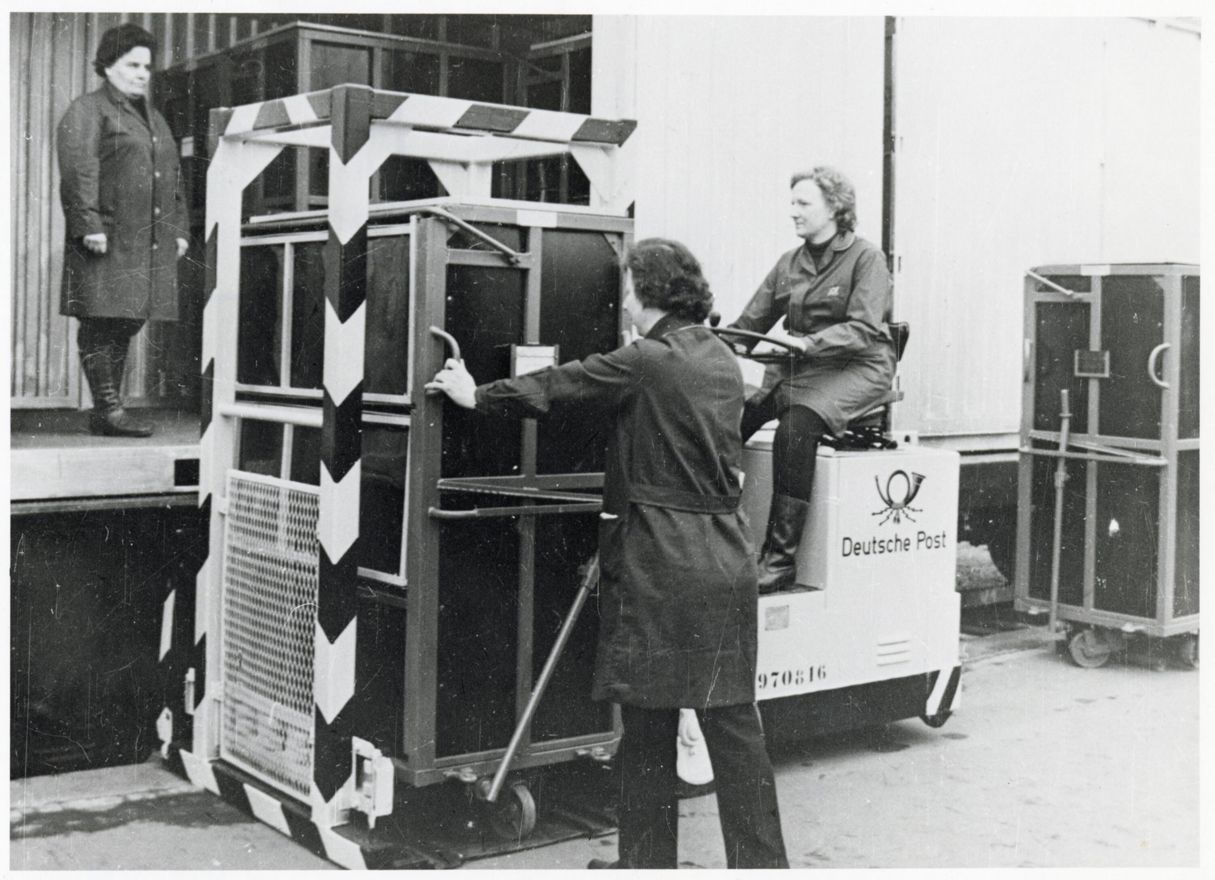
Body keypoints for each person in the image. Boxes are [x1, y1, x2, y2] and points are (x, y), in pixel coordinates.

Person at [427, 238, 788, 870]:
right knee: (733, 729)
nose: (623, 301)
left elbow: (565, 384)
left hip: (663, 562)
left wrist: (477, 394)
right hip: (725, 558)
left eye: (628, 288)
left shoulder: (648, 359)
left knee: (648, 725)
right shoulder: (723, 360)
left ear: (649, 296)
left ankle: (646, 865)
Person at [729, 167, 895, 592]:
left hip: (858, 368)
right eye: (793, 203)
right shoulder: (790, 263)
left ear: (835, 208)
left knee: (796, 428)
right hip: (803, 367)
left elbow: (863, 329)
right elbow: (749, 322)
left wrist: (809, 343)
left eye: (803, 204)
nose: (793, 212)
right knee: (729, 418)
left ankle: (779, 561)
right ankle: (717, 540)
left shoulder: (867, 258)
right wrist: (708, 342)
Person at [57, 23, 189, 437]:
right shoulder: (88, 109)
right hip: (107, 237)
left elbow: (175, 177)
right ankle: (109, 411)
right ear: (108, 65)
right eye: (132, 65)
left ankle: (106, 410)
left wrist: (179, 229)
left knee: (126, 319)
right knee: (101, 320)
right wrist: (88, 225)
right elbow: (78, 171)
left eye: (147, 67)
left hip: (145, 243)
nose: (142, 74)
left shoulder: (155, 119)